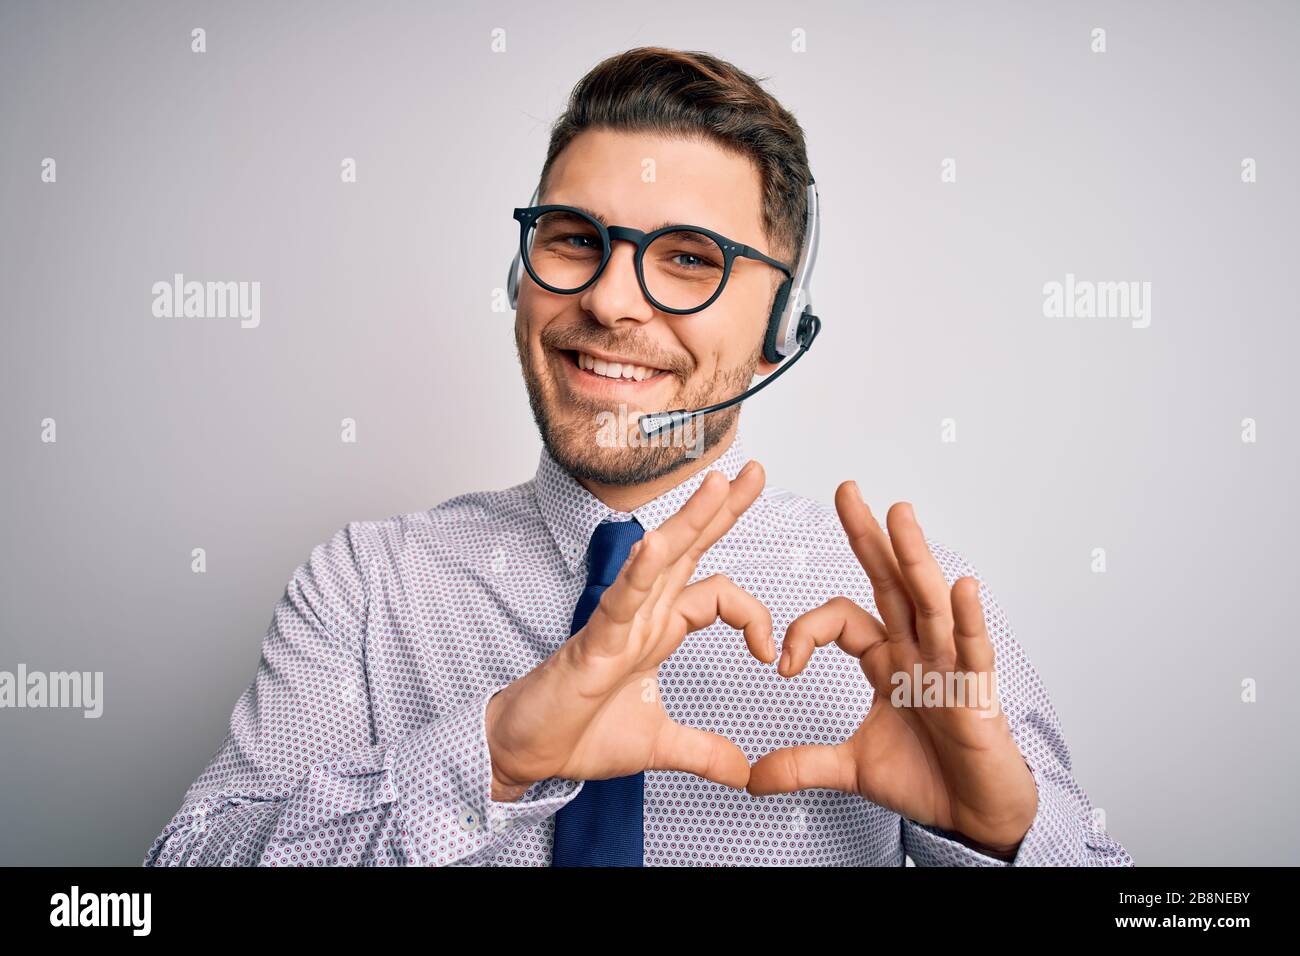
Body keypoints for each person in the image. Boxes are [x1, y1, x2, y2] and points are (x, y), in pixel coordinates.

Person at [145, 46, 1131, 867]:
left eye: (690, 258)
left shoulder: (917, 620)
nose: (613, 301)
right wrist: (490, 753)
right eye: (574, 239)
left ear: (780, 330)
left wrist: (1001, 836)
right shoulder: (365, 586)